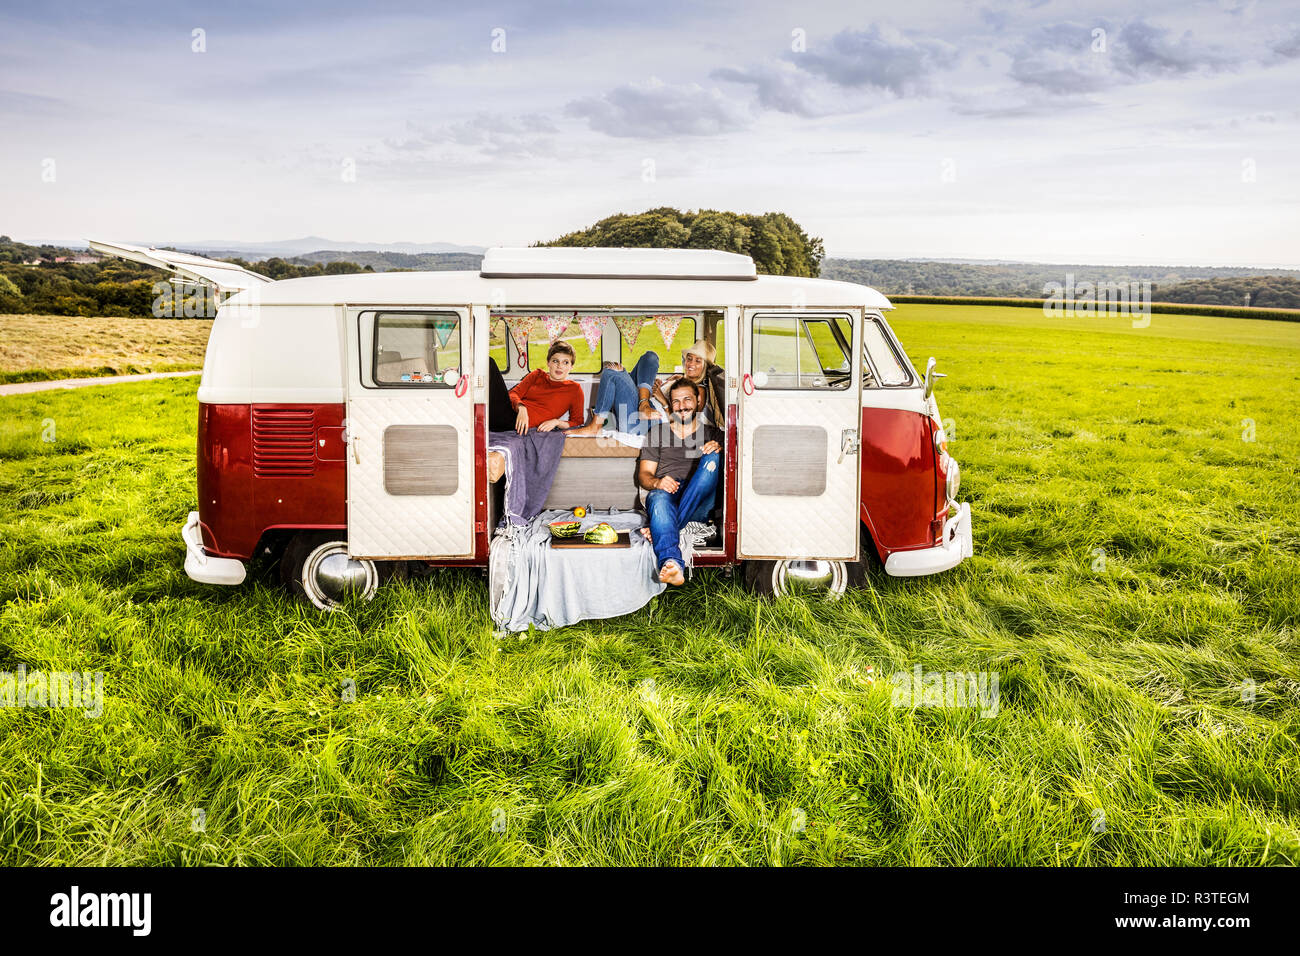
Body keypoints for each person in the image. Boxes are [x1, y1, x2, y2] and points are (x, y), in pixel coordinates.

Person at [636, 377, 723, 586]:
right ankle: (673, 563)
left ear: (698, 402)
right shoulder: (657, 433)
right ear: (670, 404)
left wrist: (718, 447)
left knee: (712, 456)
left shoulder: (714, 434)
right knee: (657, 497)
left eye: (687, 399)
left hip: (700, 499)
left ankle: (665, 527)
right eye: (676, 401)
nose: (682, 406)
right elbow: (644, 475)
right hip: (667, 495)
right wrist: (657, 483)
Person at [488, 341, 584, 481]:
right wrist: (522, 408)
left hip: (511, 425)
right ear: (548, 363)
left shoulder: (574, 390)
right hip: (509, 413)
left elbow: (577, 421)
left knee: (489, 364)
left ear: (571, 366)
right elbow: (513, 394)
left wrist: (556, 422)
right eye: (555, 361)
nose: (559, 366)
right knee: (489, 362)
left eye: (565, 362)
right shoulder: (537, 375)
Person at [566, 351, 664, 437]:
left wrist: (664, 400)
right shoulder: (674, 382)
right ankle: (644, 404)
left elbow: (676, 424)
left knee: (611, 372)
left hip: (642, 425)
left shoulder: (677, 396)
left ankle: (595, 426)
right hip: (642, 407)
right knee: (650, 357)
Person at [651, 339, 724, 426]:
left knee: (650, 358)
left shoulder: (699, 391)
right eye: (689, 359)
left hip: (655, 418)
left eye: (698, 361)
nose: (691, 364)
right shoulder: (681, 382)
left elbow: (684, 425)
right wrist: (661, 384)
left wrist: (663, 401)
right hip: (649, 409)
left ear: (705, 367)